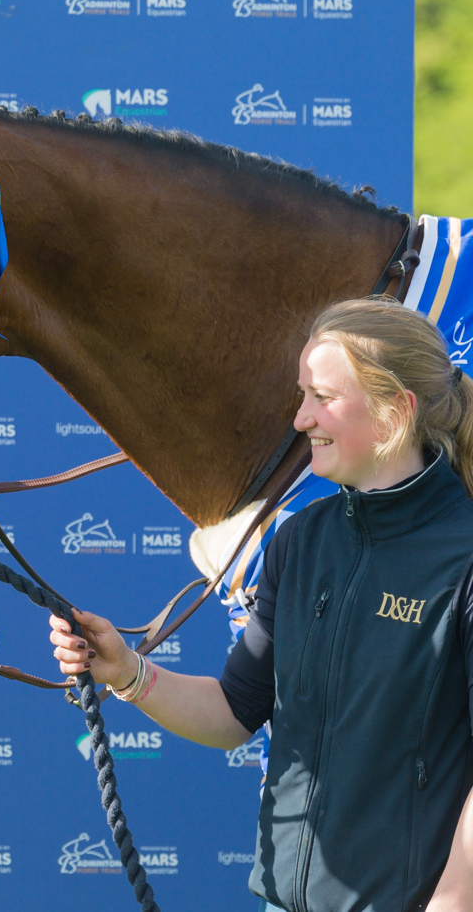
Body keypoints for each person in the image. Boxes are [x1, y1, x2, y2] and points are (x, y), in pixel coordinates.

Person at [50, 298, 473, 912]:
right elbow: (234, 710)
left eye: (322, 397)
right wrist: (127, 673)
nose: (301, 418)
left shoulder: (462, 558)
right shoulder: (300, 541)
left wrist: (455, 900)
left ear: (394, 414)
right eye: (302, 394)